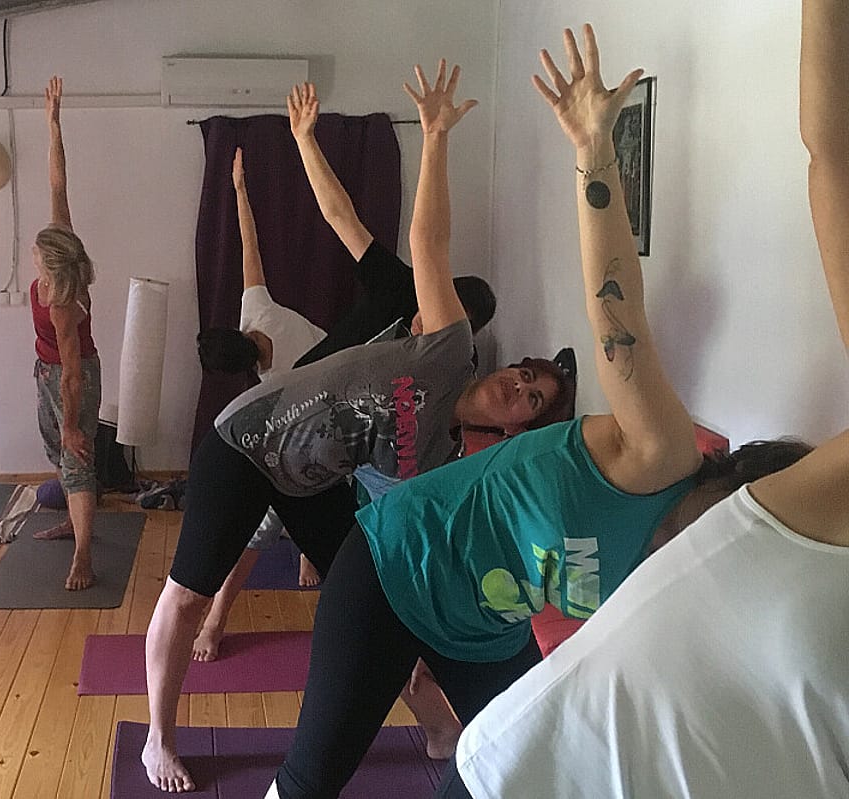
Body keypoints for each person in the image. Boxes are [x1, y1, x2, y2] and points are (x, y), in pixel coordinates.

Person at [264, 30, 811, 799]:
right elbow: (617, 320)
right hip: (394, 568)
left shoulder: (685, 583)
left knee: (518, 777)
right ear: (736, 485)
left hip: (484, 628)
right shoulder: (658, 451)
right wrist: (595, 151)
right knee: (313, 778)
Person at [442, 11, 849, 798]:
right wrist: (595, 152)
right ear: (726, 498)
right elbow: (831, 157)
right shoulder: (665, 459)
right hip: (523, 768)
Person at [142, 60, 569, 793]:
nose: (516, 387)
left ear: (519, 427)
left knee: (387, 593)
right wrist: (433, 138)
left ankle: (436, 719)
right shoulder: (447, 348)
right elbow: (423, 241)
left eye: (531, 398)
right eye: (525, 374)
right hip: (248, 442)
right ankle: (158, 737)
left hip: (312, 480)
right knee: (186, 593)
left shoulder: (442, 459)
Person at [192, 147, 328, 664]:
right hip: (331, 390)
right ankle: (306, 554)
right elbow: (251, 244)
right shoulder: (257, 308)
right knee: (302, 489)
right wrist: (240, 190)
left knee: (266, 522)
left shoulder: (275, 383)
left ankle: (215, 622)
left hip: (329, 403)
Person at [286, 81, 495, 369]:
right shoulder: (398, 286)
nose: (432, 320)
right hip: (297, 389)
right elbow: (341, 218)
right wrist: (305, 140)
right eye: (438, 304)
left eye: (451, 321)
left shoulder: (455, 361)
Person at [25, 76, 103, 591]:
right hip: (47, 371)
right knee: (55, 449)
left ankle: (83, 556)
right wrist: (53, 124)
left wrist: (73, 422)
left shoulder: (61, 304)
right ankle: (74, 523)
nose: (33, 257)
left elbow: (73, 373)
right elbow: (59, 184)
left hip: (70, 378)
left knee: (74, 456)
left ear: (49, 268)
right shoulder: (64, 249)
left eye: (36, 257)